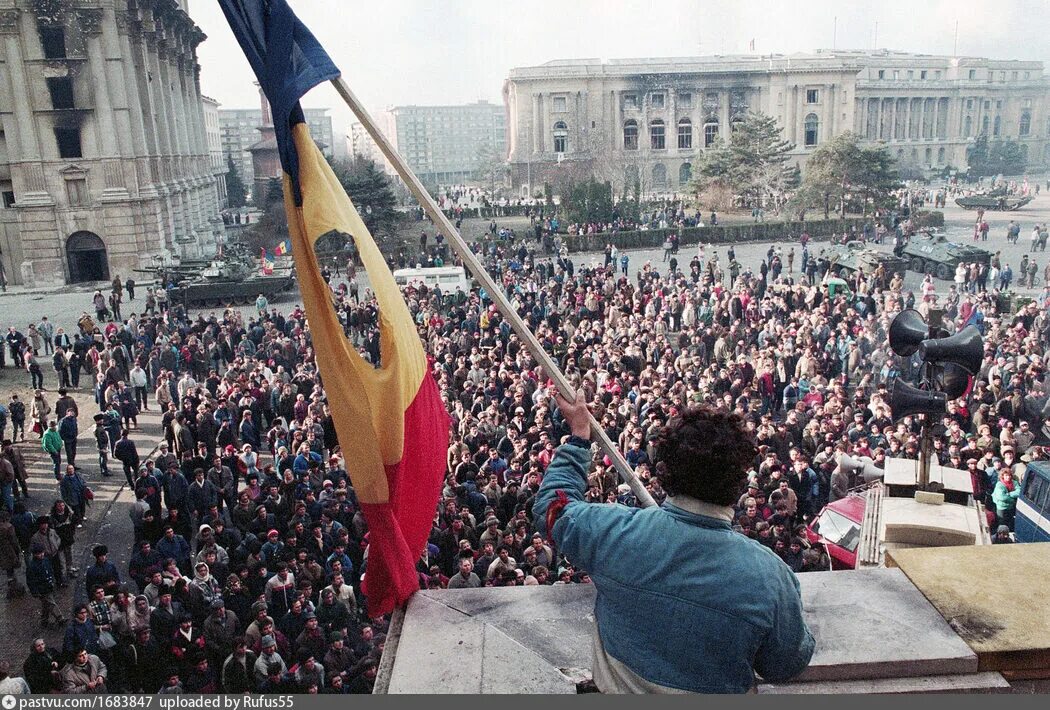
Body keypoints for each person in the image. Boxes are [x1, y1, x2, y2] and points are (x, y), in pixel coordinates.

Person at [533, 391, 814, 693]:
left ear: (665, 470)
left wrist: (579, 436)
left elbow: (553, 508)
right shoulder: (771, 576)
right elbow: (784, 664)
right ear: (739, 482)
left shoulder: (613, 533)